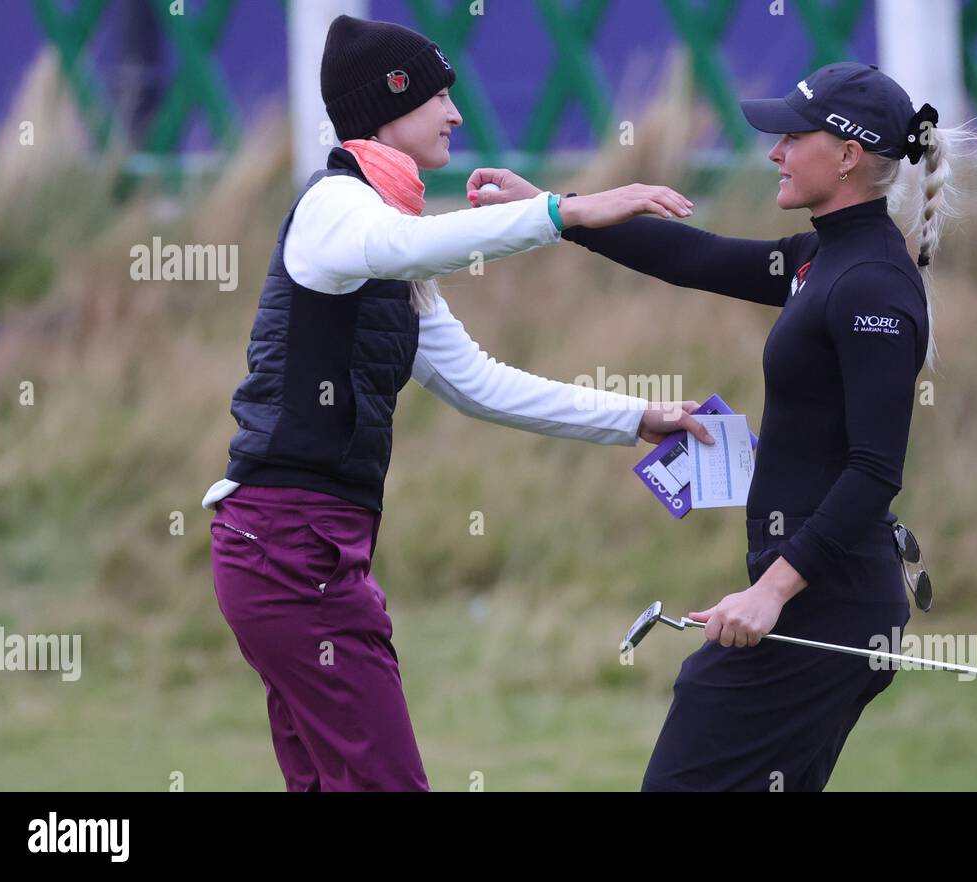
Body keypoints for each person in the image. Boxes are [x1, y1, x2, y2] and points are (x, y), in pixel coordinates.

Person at [202, 14, 712, 792]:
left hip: (303, 551)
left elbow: (478, 381)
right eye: (440, 96)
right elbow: (410, 246)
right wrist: (566, 210)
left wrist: (635, 418)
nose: (457, 114)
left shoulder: (387, 231)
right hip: (287, 552)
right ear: (388, 108)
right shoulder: (338, 209)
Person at [477, 61, 963, 790]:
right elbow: (693, 255)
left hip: (827, 608)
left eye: (791, 137)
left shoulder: (873, 287)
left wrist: (771, 591)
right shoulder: (819, 257)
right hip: (819, 599)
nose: (773, 152)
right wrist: (553, 212)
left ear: (848, 154)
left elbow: (874, 470)